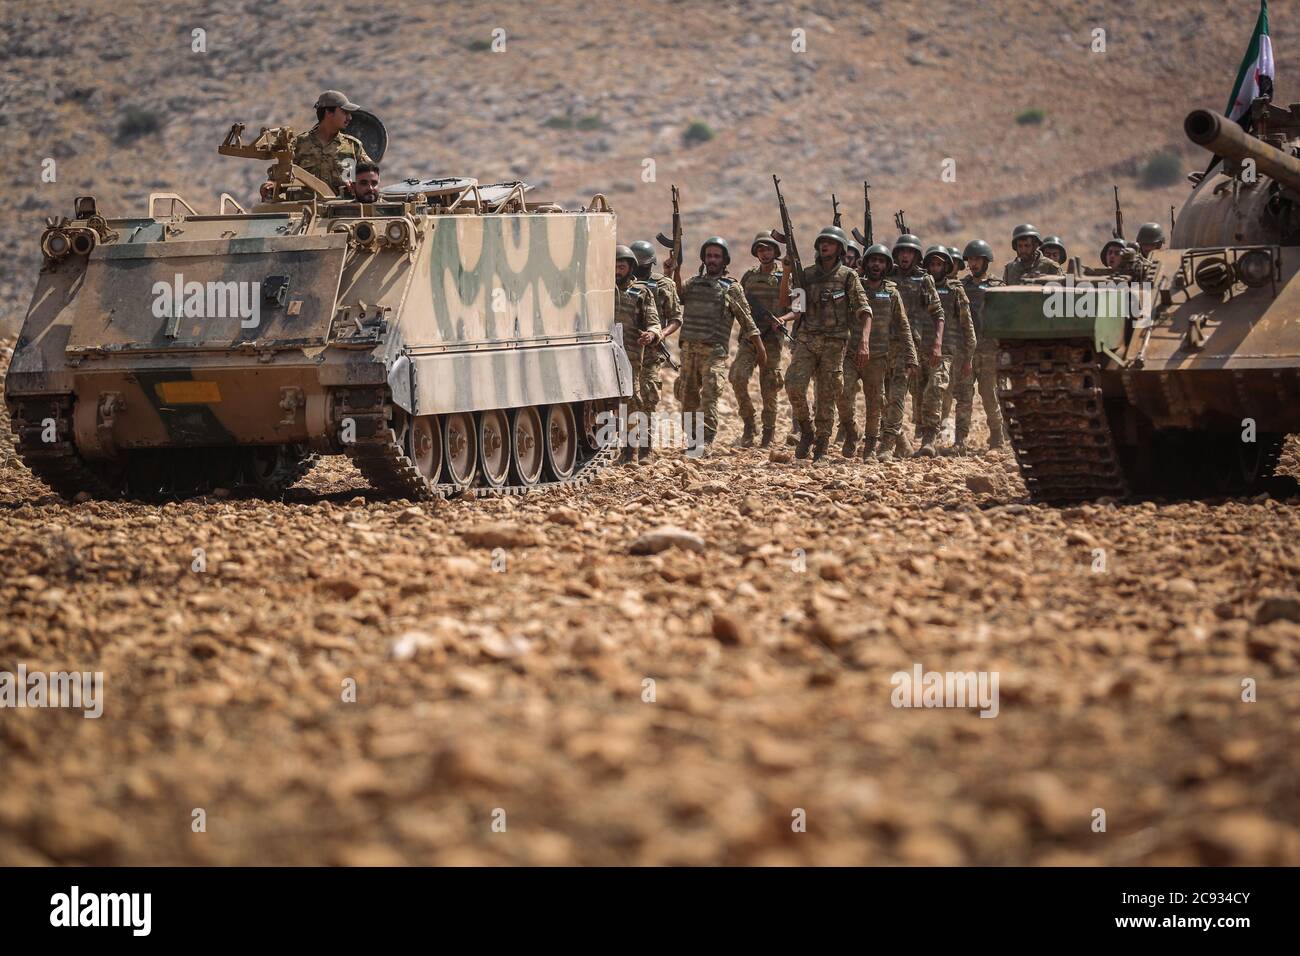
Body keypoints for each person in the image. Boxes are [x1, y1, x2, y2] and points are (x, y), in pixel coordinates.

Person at [784, 225, 871, 462]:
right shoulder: (807, 274)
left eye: (830, 243)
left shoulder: (848, 276)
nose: (824, 246)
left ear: (840, 248)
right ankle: (807, 430)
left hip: (835, 343)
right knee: (793, 384)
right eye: (822, 242)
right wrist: (787, 272)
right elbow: (796, 307)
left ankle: (822, 443)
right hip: (807, 339)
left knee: (827, 395)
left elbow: (865, 310)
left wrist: (864, 342)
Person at [672, 238, 766, 456]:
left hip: (714, 352)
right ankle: (692, 440)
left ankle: (705, 441)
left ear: (724, 260)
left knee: (710, 396)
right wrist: (673, 271)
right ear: (703, 259)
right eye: (709, 256)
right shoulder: (693, 283)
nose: (712, 260)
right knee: (687, 397)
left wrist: (761, 350)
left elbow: (747, 320)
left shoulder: (731, 288)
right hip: (688, 351)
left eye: (716, 256)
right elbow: (677, 295)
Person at [854, 243, 917, 460]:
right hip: (866, 354)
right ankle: (901, 442)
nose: (876, 265)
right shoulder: (856, 287)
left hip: (893, 353)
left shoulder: (891, 292)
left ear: (887, 265)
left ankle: (887, 445)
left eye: (881, 261)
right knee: (879, 400)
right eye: (873, 260)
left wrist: (911, 355)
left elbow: (904, 324)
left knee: (895, 400)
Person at [730, 233, 790, 448]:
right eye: (761, 249)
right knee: (737, 377)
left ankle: (768, 431)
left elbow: (796, 308)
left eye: (769, 249)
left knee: (769, 385)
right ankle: (749, 423)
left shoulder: (785, 277)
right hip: (749, 338)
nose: (765, 253)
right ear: (756, 252)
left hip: (772, 339)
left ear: (775, 252)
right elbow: (740, 305)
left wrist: (782, 319)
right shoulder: (749, 277)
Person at [261, 90, 373, 200]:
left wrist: (358, 185)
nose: (349, 118)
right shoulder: (298, 144)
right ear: (329, 112)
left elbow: (371, 176)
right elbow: (280, 178)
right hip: (306, 213)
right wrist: (271, 185)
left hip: (343, 213)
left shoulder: (353, 146)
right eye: (345, 112)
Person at [955, 238, 1006, 452]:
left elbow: (1005, 319)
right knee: (964, 397)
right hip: (966, 351)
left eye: (977, 259)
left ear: (986, 261)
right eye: (971, 260)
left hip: (989, 350)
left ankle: (997, 436)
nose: (973, 264)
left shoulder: (998, 287)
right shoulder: (961, 287)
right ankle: (960, 441)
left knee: (989, 396)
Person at [613, 246, 662, 463]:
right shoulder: (601, 290)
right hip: (602, 354)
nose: (616, 271)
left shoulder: (640, 292)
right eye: (613, 266)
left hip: (629, 356)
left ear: (630, 267)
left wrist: (651, 335)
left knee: (631, 401)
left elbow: (653, 322)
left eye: (621, 267)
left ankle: (635, 450)